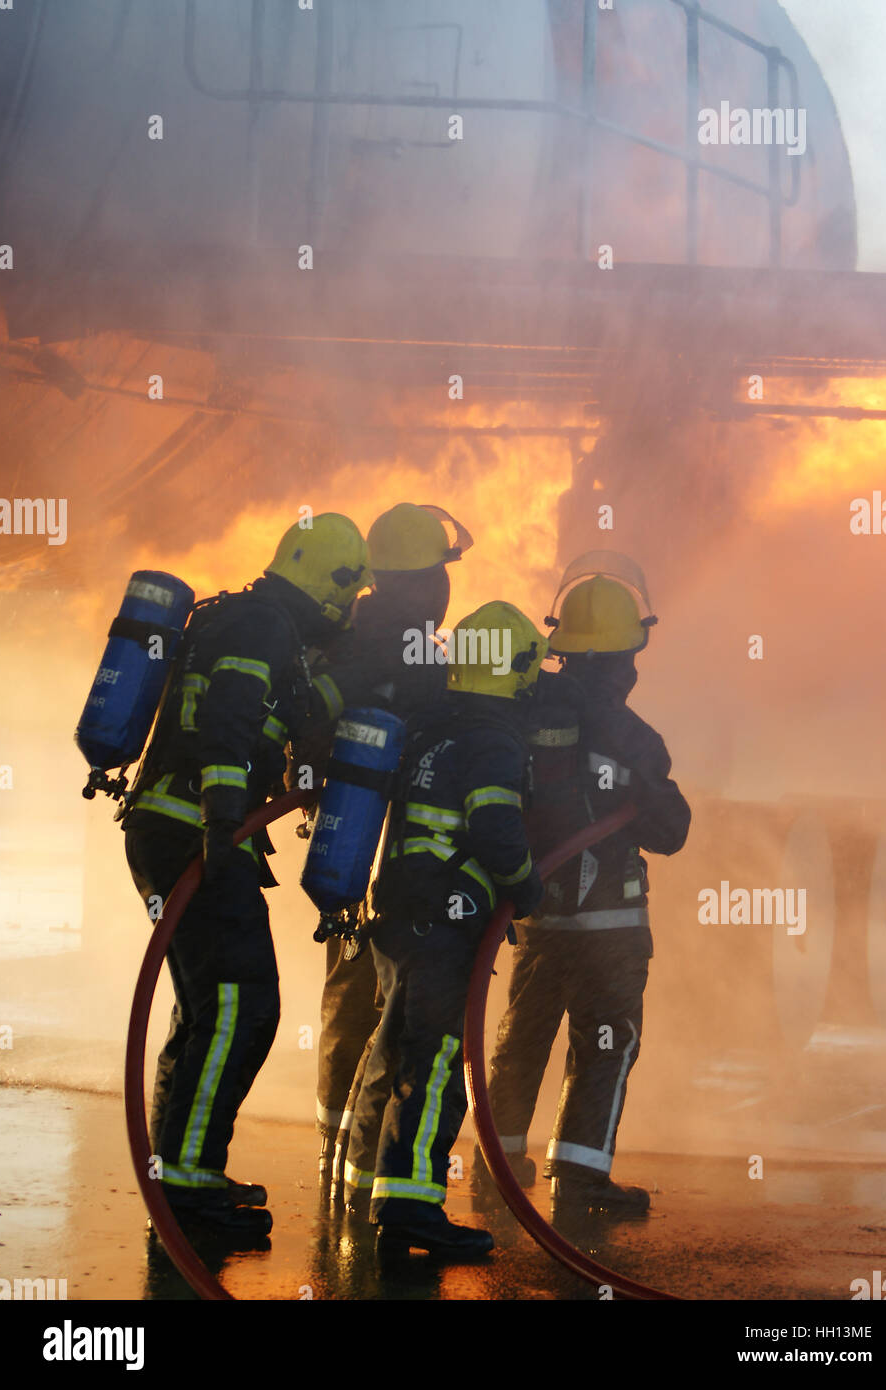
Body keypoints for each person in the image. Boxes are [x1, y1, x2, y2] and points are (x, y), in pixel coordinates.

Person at [124, 513, 370, 1236]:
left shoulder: (253, 621)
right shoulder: (262, 628)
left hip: (172, 830)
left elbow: (274, 715)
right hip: (190, 833)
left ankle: (179, 1171)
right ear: (333, 587)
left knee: (208, 1005)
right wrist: (220, 827)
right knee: (241, 1005)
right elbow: (229, 725)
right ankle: (191, 1184)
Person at [471, 556, 691, 1222]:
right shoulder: (633, 737)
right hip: (609, 925)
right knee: (604, 1041)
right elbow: (670, 830)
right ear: (628, 656)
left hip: (532, 910)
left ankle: (496, 1171)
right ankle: (581, 1179)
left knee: (521, 1039)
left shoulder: (522, 710)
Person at [343, 601, 547, 1258]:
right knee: (432, 1064)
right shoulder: (494, 737)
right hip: (446, 918)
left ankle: (364, 1186)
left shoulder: (428, 726)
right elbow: (493, 828)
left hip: (397, 908)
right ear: (514, 668)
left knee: (391, 1049)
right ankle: (409, 1211)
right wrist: (524, 886)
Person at [312, 503, 473, 1185]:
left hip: (346, 838)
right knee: (388, 994)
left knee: (347, 985)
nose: (444, 585)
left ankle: (335, 1141)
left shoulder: (349, 631)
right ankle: (364, 1155)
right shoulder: (416, 655)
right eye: (438, 570)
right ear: (419, 580)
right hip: (397, 849)